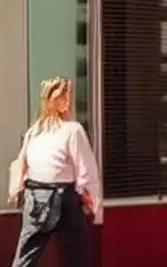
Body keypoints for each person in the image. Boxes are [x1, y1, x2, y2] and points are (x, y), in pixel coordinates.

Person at [9, 77, 101, 266]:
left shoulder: (34, 131)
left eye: (68, 97)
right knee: (77, 253)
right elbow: (86, 170)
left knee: (26, 255)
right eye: (62, 97)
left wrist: (16, 190)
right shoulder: (73, 130)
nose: (67, 102)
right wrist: (95, 203)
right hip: (63, 195)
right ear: (51, 100)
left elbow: (21, 162)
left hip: (34, 195)